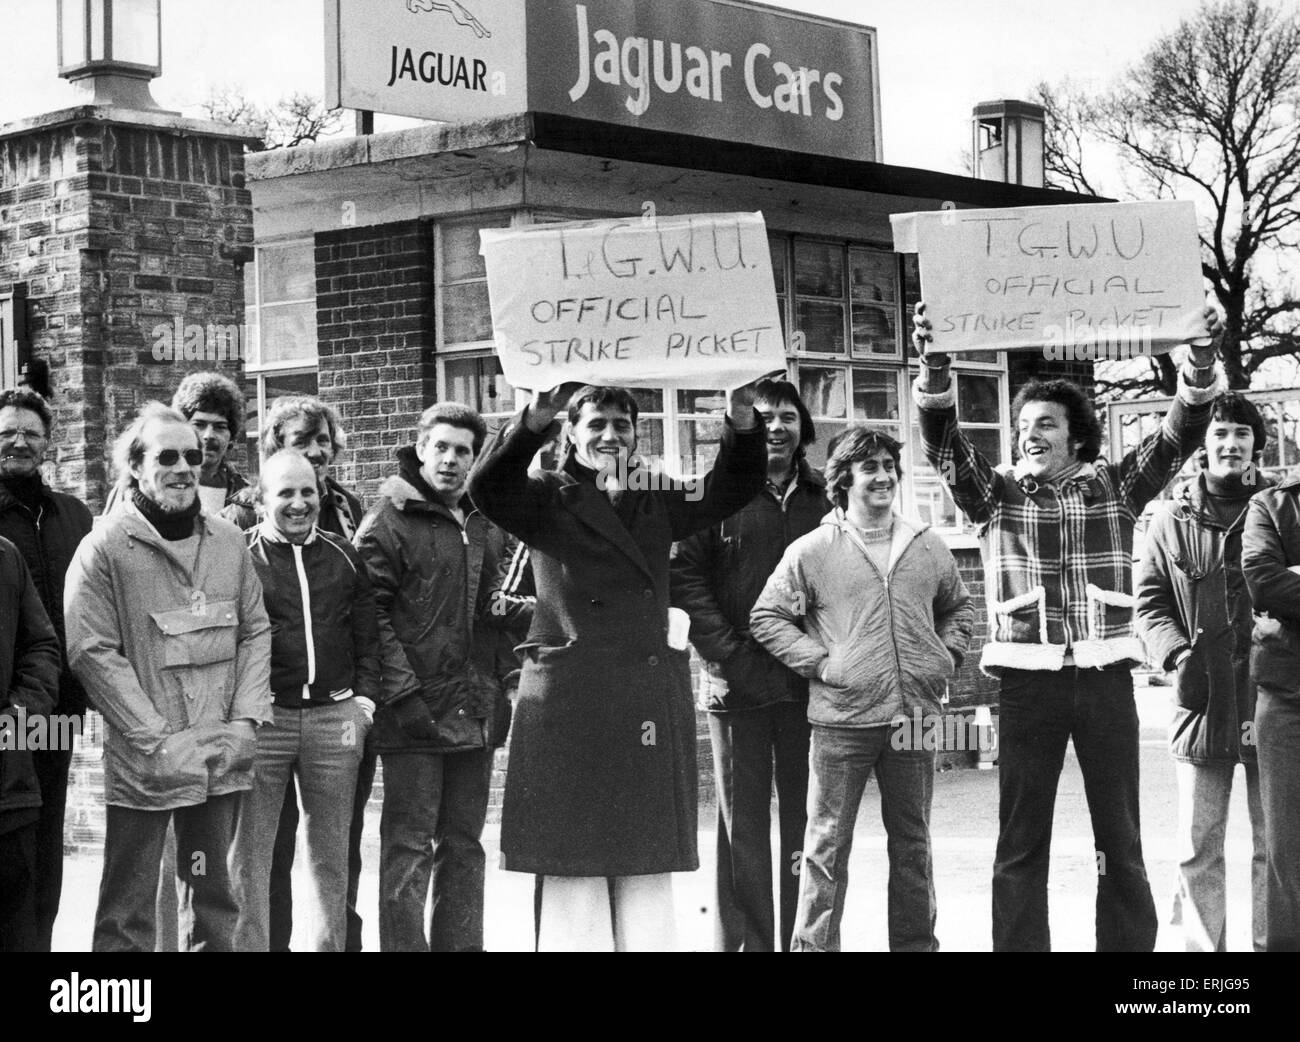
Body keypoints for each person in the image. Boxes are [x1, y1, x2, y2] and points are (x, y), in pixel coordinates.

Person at [912, 301, 1223, 952]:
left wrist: (1199, 362)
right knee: (1021, 842)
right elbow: (944, 443)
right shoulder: (995, 494)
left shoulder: (1116, 485)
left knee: (1120, 840)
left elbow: (1180, 432)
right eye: (1023, 425)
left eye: (1044, 424)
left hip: (1107, 680)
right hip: (1029, 689)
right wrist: (935, 371)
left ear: (1076, 434)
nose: (1029, 434)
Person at [469, 381, 766, 951]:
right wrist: (533, 420)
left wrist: (740, 417)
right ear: (572, 432)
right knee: (571, 860)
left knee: (643, 855)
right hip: (570, 698)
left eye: (621, 425)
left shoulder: (653, 495)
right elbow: (488, 488)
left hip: (640, 696)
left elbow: (731, 487)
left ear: (637, 434)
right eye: (596, 424)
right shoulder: (545, 495)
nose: (610, 435)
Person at [750, 425, 972, 952]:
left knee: (914, 845)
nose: (883, 476)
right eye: (870, 467)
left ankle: (916, 946)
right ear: (843, 479)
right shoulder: (813, 549)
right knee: (826, 846)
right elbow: (767, 615)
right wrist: (823, 665)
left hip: (912, 719)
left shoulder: (927, 544)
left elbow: (959, 606)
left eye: (889, 466)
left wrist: (946, 656)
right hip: (841, 721)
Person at [64, 402, 271, 951]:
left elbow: (255, 630)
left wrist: (248, 721)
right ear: (135, 465)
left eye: (192, 457)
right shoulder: (103, 548)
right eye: (167, 457)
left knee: (211, 896)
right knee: (128, 912)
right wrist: (155, 738)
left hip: (218, 752)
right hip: (147, 760)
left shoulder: (228, 542)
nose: (183, 468)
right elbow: (92, 651)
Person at [355, 402, 520, 952]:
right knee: (408, 845)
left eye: (464, 451)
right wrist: (402, 697)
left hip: (473, 710)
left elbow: (493, 613)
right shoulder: (388, 519)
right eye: (442, 447)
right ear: (420, 448)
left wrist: (501, 687)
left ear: (476, 460)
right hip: (414, 716)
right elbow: (369, 617)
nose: (451, 461)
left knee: (465, 845)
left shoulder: (484, 521)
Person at [669, 377, 825, 952]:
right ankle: (748, 945)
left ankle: (803, 941)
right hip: (735, 684)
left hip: (812, 684)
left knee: (810, 827)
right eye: (763, 417)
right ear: (743, 428)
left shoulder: (828, 497)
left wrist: (822, 661)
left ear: (804, 428)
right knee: (744, 830)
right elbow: (684, 579)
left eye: (788, 416)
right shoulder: (714, 497)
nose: (776, 427)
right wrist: (730, 658)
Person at [227, 394, 369, 950]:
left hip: (333, 720)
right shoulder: (237, 557)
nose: (298, 502)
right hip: (264, 720)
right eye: (285, 493)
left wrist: (364, 704)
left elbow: (369, 636)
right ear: (261, 500)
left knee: (331, 859)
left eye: (308, 492)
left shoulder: (343, 553)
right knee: (252, 858)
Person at [1136, 392, 1270, 952]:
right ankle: (1200, 970)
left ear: (1256, 445)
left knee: (1280, 843)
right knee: (1199, 843)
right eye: (1219, 433)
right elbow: (1149, 603)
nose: (1230, 443)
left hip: (1276, 697)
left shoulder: (1284, 509)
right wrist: (1177, 658)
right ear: (1201, 445)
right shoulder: (1169, 518)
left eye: (1241, 433)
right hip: (1203, 702)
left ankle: (1273, 943)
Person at [0, 388, 93, 950]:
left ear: (47, 443)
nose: (19, 442)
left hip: (54, 712)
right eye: (8, 432)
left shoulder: (73, 515)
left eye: (31, 433)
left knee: (44, 839)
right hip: (4, 711)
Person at [1242, 444, 1300, 951]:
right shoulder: (1270, 505)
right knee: (1287, 849)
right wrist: (1285, 578)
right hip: (1287, 698)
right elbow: (1264, 581)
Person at [0, 533, 60, 952]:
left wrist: (17, 719)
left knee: (19, 932)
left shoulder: (5, 555)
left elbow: (41, 645)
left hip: (8, 793)